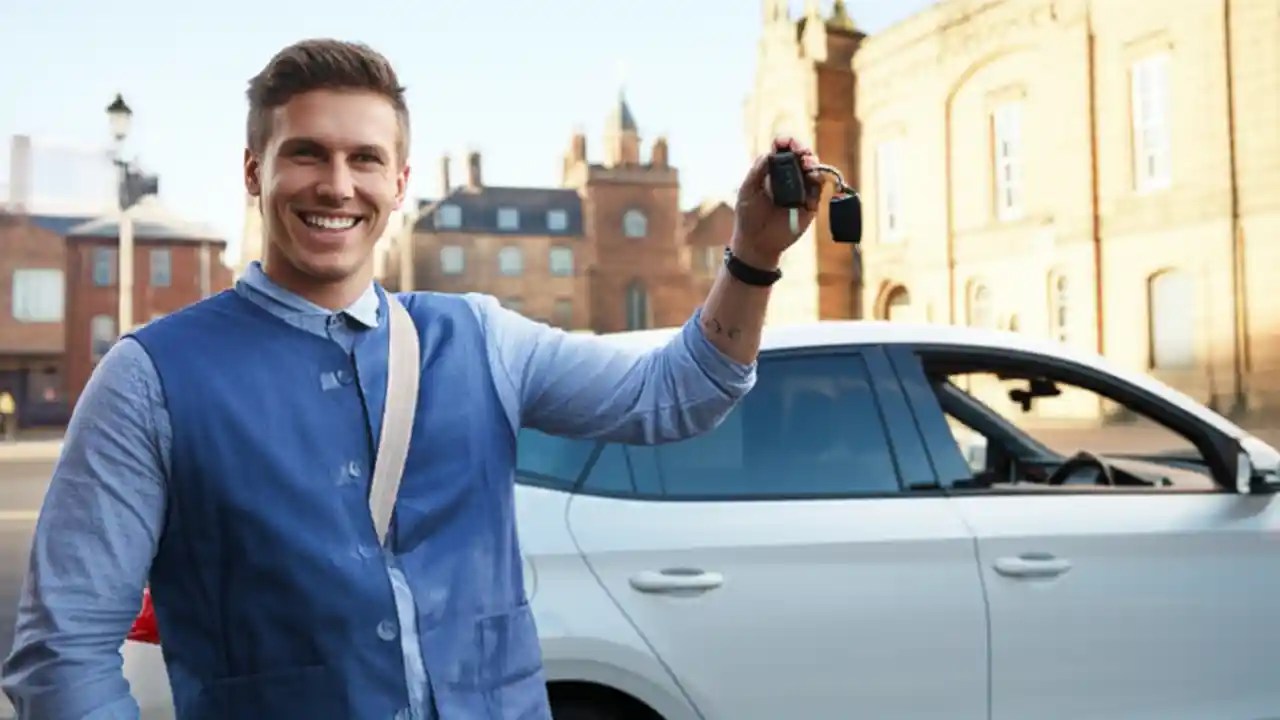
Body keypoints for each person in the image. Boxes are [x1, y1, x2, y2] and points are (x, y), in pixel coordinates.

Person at [1, 38, 825, 720]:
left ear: (399, 183)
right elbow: (61, 650)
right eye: (306, 155)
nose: (337, 184)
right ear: (254, 173)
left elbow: (677, 396)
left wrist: (751, 257)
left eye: (366, 159)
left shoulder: (480, 338)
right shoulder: (148, 379)